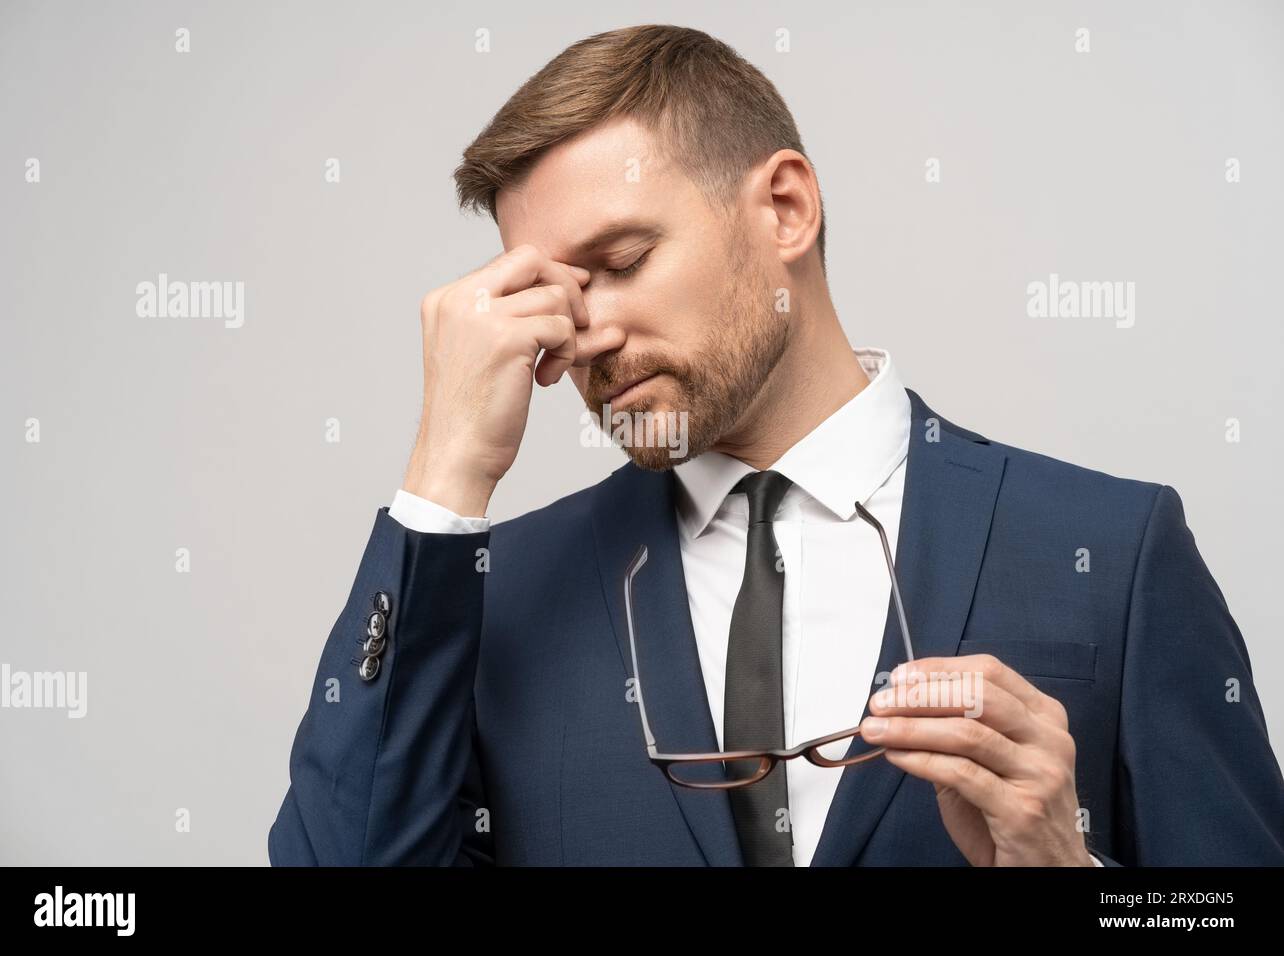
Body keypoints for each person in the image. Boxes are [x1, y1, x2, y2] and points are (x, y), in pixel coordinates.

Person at [268, 25, 1284, 866]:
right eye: (551, 296)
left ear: (785, 208)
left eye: (620, 262)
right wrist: (443, 476)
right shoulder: (497, 593)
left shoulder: (1109, 546)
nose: (587, 332)